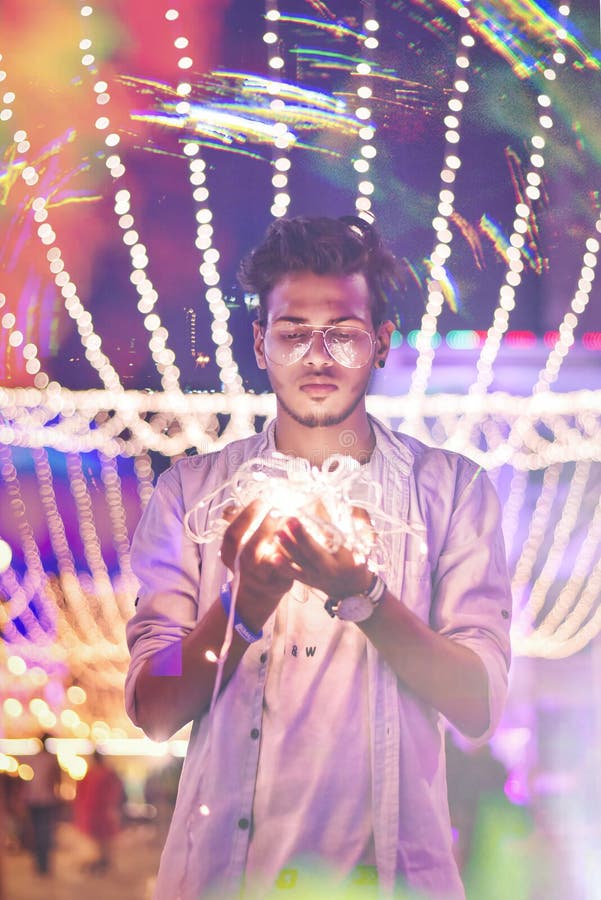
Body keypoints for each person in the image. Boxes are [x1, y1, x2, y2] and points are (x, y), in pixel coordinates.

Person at [125, 216, 512, 899]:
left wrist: (363, 596)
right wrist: (242, 607)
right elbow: (154, 711)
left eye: (342, 333)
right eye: (293, 333)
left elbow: (476, 703)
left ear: (382, 344)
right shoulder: (190, 494)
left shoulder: (451, 491)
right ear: (259, 344)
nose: (317, 356)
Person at [73, 750, 124, 873]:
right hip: (97, 810)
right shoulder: (102, 773)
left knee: (102, 837)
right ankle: (102, 860)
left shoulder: (95, 773)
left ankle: (103, 860)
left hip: (97, 810)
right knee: (102, 838)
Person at [22, 733, 61, 876]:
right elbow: (57, 780)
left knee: (40, 833)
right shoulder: (50, 759)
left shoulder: (36, 759)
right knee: (43, 833)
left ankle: (41, 865)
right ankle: (42, 865)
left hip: (38, 801)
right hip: (44, 801)